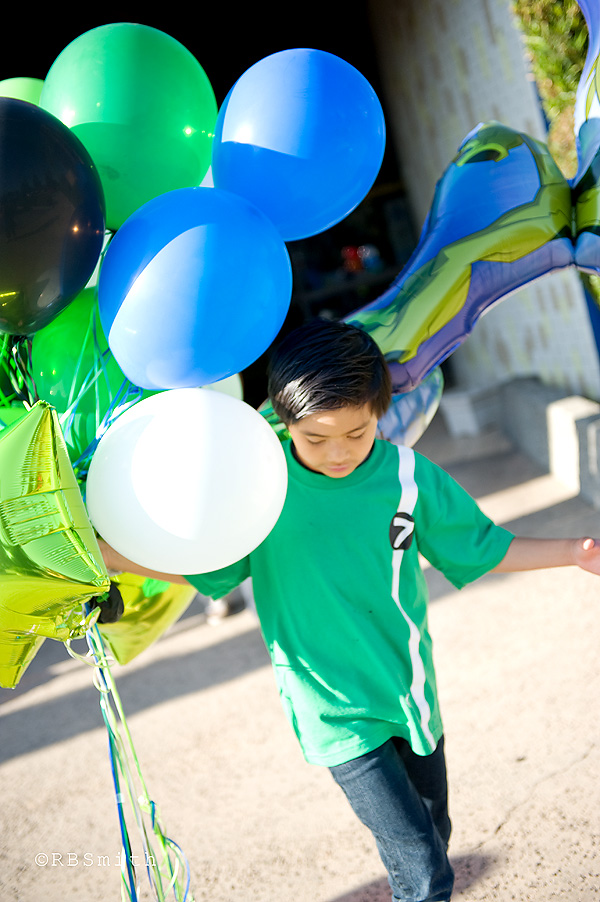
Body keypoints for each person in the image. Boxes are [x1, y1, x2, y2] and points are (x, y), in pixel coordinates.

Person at [98, 319, 600, 902]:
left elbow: (481, 546)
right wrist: (113, 555)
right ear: (284, 423)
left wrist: (576, 551)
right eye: (316, 438)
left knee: (434, 835)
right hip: (332, 710)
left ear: (380, 413)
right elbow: (213, 567)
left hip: (409, 693)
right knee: (423, 869)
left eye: (356, 433)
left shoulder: (407, 478)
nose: (338, 452)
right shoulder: (263, 483)